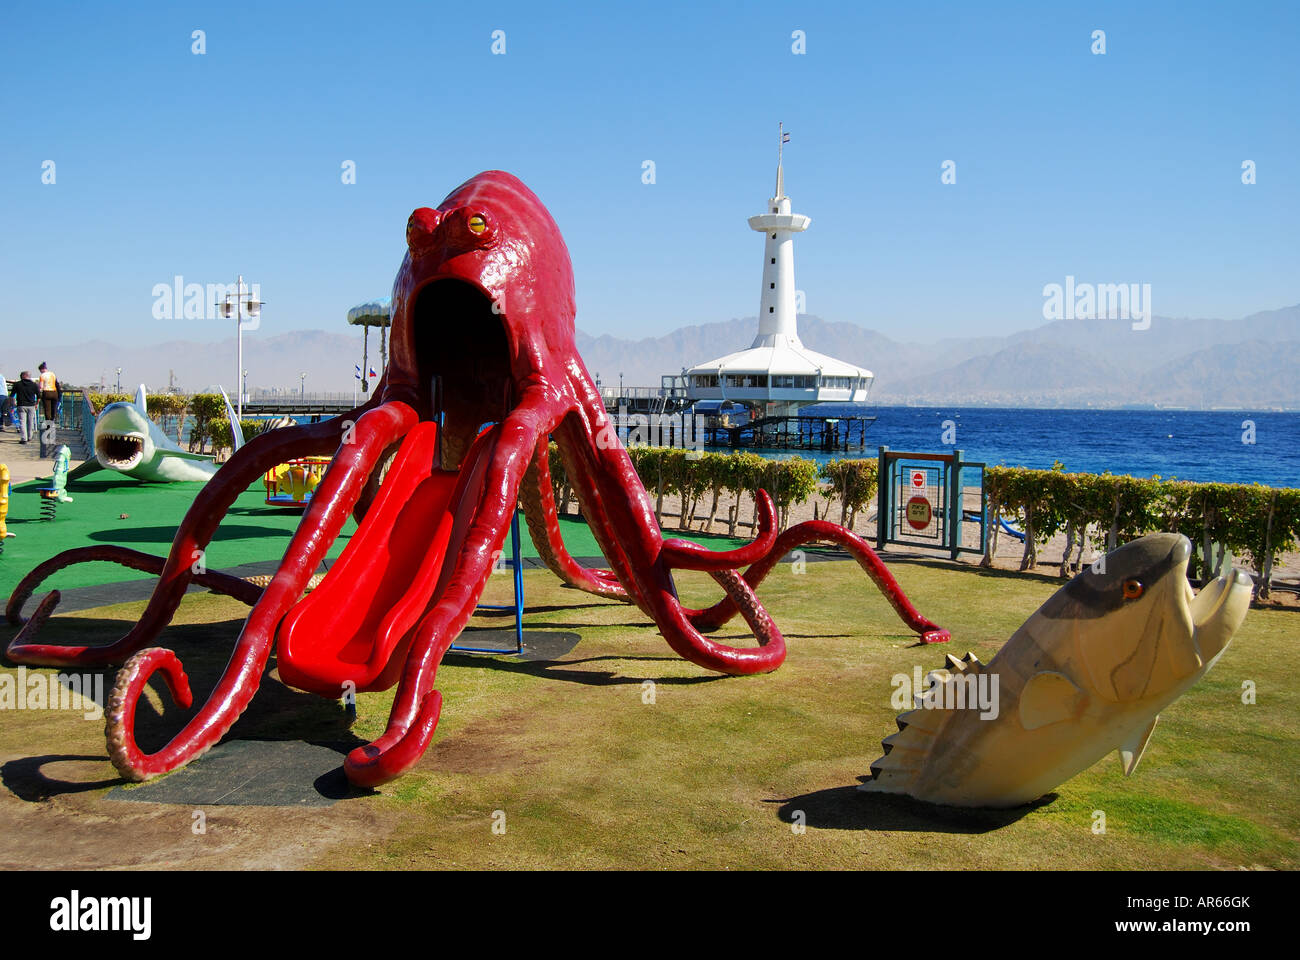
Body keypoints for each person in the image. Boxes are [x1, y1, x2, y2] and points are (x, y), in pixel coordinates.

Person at [10, 371, 39, 444]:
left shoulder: (17, 384)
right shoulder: (34, 385)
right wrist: (36, 404)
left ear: (23, 376)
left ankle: (24, 439)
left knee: (22, 422)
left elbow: (12, 395)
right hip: (31, 405)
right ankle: (29, 437)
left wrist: (13, 403)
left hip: (21, 405)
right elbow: (39, 396)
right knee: (30, 422)